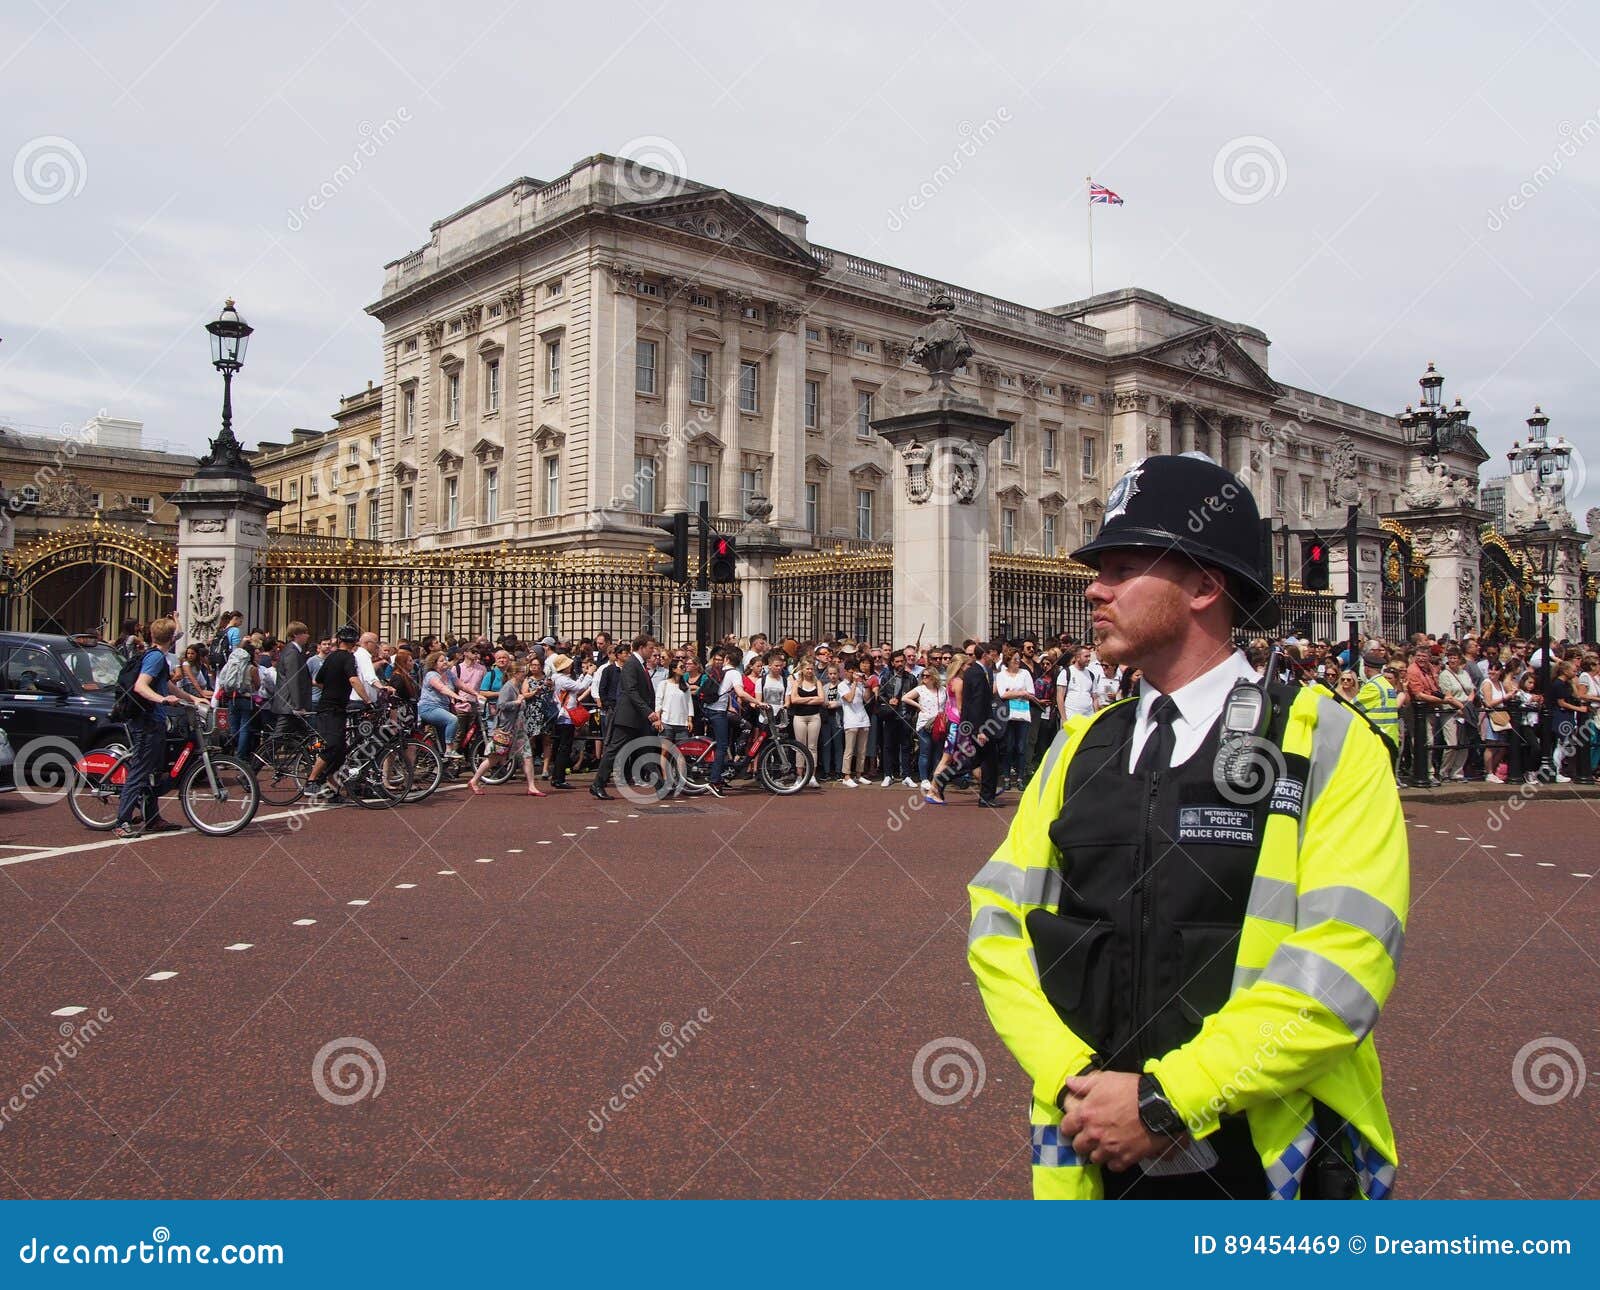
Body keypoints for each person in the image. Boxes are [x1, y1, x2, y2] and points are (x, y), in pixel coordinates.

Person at [968, 454, 1406, 1201]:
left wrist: (1169, 1100)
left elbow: (1345, 962)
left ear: (1206, 586)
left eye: (1125, 566)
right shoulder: (1078, 746)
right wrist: (1073, 1079)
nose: (1094, 588)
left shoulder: (1324, 741)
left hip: (1266, 1163)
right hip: (1093, 1155)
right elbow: (997, 924)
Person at [113, 617, 199, 838]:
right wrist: (162, 700)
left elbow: (166, 684)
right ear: (171, 639)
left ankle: (152, 818)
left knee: (153, 772)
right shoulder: (155, 658)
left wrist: (192, 697)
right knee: (140, 771)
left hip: (155, 721)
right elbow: (140, 686)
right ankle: (122, 821)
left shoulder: (158, 657)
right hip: (146, 721)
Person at [305, 626, 371, 800]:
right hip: (330, 709)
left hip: (334, 708)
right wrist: (368, 701)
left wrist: (332, 688)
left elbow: (318, 681)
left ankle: (331, 791)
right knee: (332, 745)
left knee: (341, 751)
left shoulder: (331, 656)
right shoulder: (349, 657)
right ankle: (311, 781)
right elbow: (353, 679)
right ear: (352, 643)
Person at [593, 636, 662, 800]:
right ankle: (598, 784)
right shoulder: (632, 664)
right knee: (613, 751)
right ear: (642, 647)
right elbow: (631, 691)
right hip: (628, 717)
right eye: (651, 648)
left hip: (637, 718)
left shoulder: (638, 665)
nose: (653, 651)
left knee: (646, 748)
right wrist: (648, 712)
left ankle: (661, 785)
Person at [936, 640, 1003, 807]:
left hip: (978, 724)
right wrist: (980, 730)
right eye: (992, 653)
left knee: (974, 761)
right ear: (986, 655)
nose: (995, 656)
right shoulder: (977, 673)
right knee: (985, 760)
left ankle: (944, 779)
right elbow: (975, 704)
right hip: (979, 726)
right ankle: (986, 798)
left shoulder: (980, 671)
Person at [468, 660, 547, 797]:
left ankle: (531, 786)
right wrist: (517, 702)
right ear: (515, 674)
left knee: (527, 755)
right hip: (507, 728)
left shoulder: (516, 686)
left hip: (517, 728)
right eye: (522, 672)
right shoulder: (508, 687)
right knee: (495, 758)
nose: (525, 674)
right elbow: (502, 705)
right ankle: (474, 780)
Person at [995, 645, 1037, 792]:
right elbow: (1002, 694)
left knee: (1021, 747)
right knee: (1008, 747)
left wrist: (1013, 692)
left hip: (1023, 715)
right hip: (1008, 715)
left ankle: (1020, 778)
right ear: (1008, 660)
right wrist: (1021, 693)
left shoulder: (1025, 673)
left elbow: (1031, 693)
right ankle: (1006, 778)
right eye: (1015, 659)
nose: (1018, 661)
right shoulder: (1001, 675)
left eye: (1019, 659)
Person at [786, 657, 826, 789]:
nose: (810, 671)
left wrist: (804, 699)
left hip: (814, 716)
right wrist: (810, 698)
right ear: (802, 669)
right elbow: (794, 700)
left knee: (812, 747)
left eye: (811, 668)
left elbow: (821, 699)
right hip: (799, 717)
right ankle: (799, 776)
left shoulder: (817, 682)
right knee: (800, 747)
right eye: (807, 668)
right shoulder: (797, 682)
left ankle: (812, 776)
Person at [270, 621, 313, 738]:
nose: (307, 636)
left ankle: (305, 756)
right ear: (295, 635)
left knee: (304, 736)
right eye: (304, 633)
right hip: (289, 705)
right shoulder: (292, 653)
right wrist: (298, 705)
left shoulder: (296, 651)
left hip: (290, 705)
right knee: (278, 736)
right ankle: (263, 755)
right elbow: (293, 680)